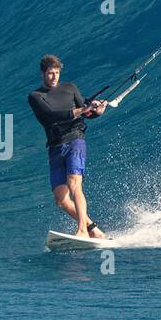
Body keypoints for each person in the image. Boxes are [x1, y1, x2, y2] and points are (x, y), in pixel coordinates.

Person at [27, 54, 107, 239]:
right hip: (55, 146)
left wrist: (97, 111)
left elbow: (86, 111)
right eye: (50, 73)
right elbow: (52, 115)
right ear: (42, 74)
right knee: (61, 199)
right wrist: (83, 110)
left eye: (56, 73)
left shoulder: (70, 88)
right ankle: (93, 229)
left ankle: (82, 231)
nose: (54, 77)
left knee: (74, 183)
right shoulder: (36, 97)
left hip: (75, 140)